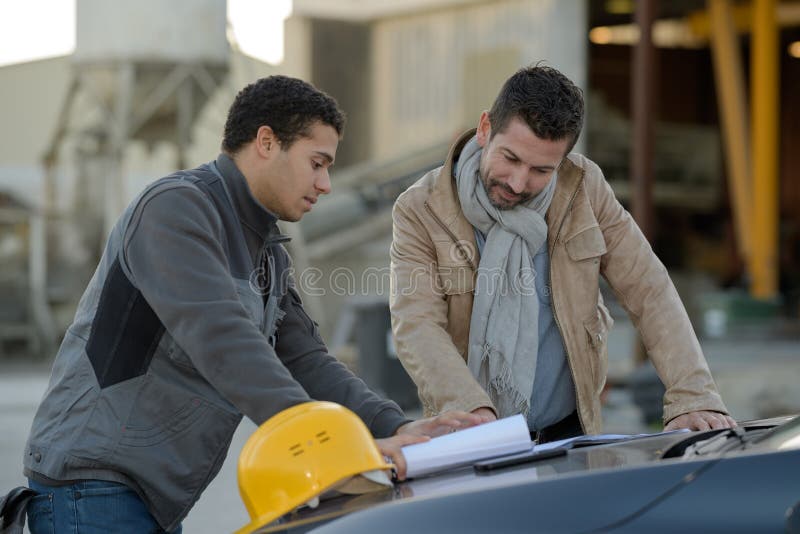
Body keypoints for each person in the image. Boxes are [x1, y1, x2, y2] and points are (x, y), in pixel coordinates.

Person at [20, 76, 481, 534]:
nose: (325, 184)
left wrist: (394, 426)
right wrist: (330, 444)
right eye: (316, 163)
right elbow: (223, 339)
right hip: (92, 489)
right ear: (266, 142)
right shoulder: (174, 210)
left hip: (147, 499)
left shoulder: (267, 253)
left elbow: (307, 360)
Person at [389, 64, 736, 444]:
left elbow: (648, 287)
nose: (518, 183)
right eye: (510, 158)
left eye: (541, 170)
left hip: (569, 435)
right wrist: (473, 411)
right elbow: (417, 323)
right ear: (485, 128)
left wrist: (693, 396)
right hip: (470, 435)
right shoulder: (421, 209)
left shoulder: (585, 189)